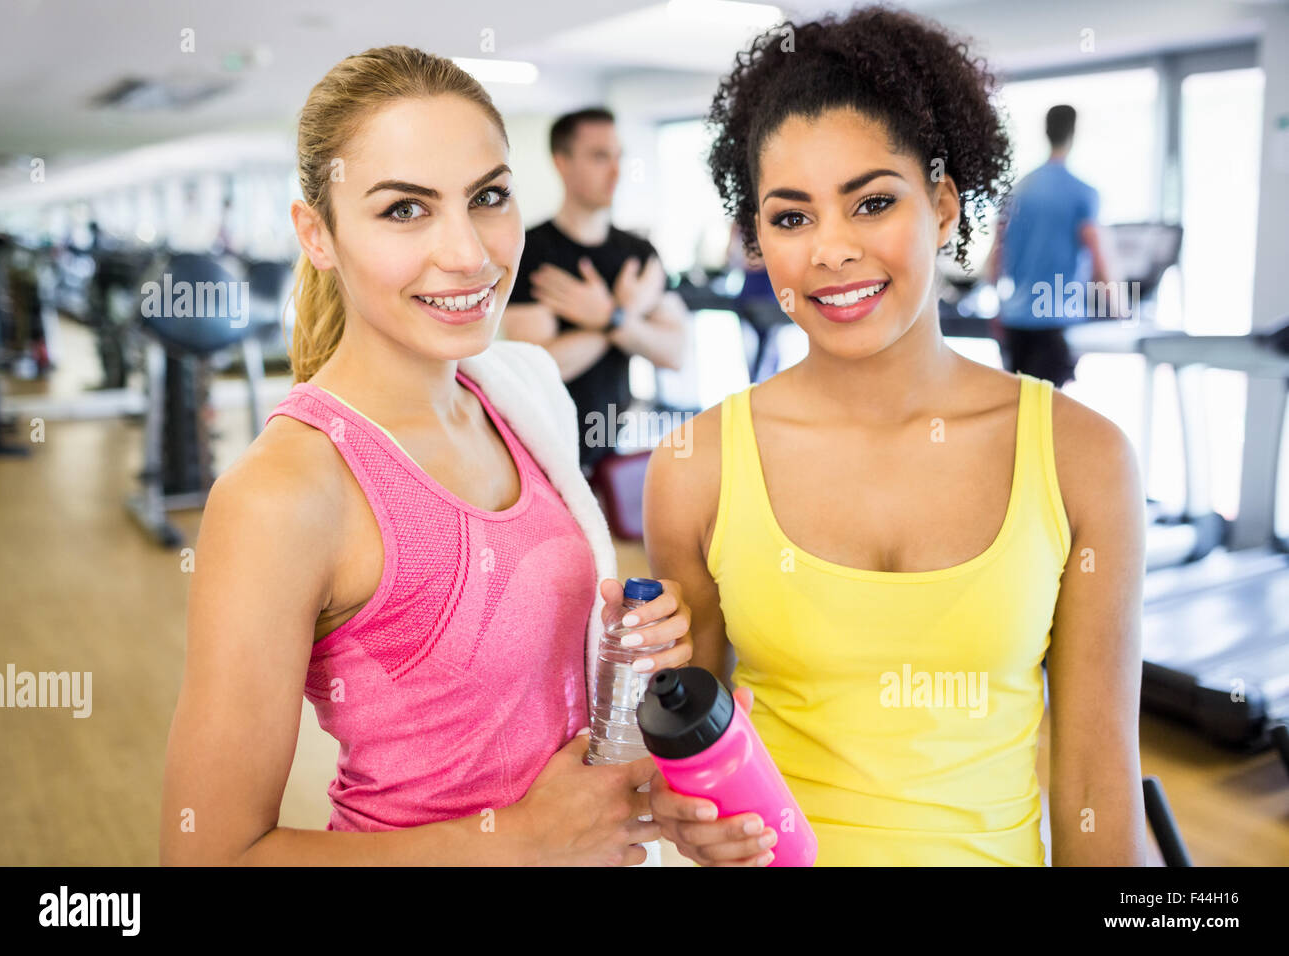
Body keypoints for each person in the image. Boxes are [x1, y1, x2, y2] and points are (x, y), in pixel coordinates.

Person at [159, 46, 693, 866]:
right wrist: (517, 843)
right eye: (405, 210)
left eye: (488, 197)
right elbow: (209, 856)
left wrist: (620, 648)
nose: (469, 254)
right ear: (318, 235)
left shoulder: (521, 390)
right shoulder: (285, 491)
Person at [644, 7, 1147, 865]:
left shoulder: (1084, 458)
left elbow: (1098, 781)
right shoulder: (696, 466)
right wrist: (680, 811)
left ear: (944, 205)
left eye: (872, 202)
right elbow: (687, 736)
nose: (832, 251)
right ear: (758, 240)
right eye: (792, 218)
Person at [503, 107, 688, 475]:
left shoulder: (639, 255)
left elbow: (675, 352)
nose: (617, 171)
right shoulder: (528, 252)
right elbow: (541, 367)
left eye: (620, 156)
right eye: (600, 157)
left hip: (615, 443)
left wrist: (608, 316)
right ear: (562, 162)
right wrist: (621, 315)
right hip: (546, 453)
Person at [986, 104, 1115, 388]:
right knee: (1051, 417)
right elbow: (1098, 257)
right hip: (1055, 321)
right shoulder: (1081, 192)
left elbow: (996, 256)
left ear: (1046, 131)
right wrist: (1117, 305)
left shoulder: (1018, 190)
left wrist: (998, 306)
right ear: (1073, 134)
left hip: (1015, 320)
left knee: (1019, 409)